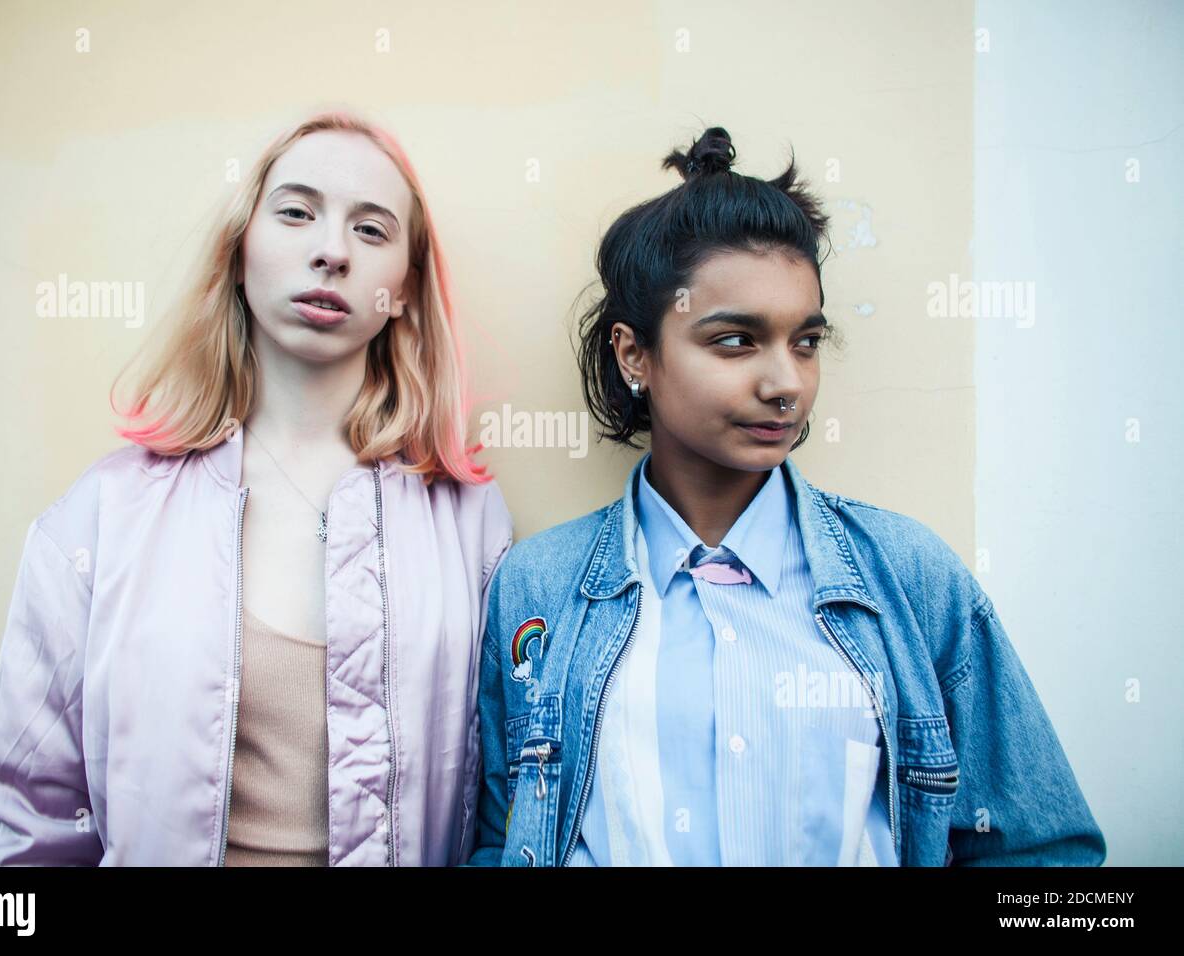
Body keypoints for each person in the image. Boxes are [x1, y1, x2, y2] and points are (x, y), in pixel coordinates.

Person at [470, 126, 1105, 867]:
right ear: (634, 352)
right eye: (736, 340)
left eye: (805, 341)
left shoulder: (910, 580)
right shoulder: (537, 587)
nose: (786, 383)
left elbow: (1042, 857)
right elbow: (500, 841)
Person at [0, 110, 512, 866]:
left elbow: (509, 806)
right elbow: (29, 817)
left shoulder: (472, 524)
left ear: (408, 288)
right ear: (239, 249)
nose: (330, 252)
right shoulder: (103, 517)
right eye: (296, 213)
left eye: (371, 230)